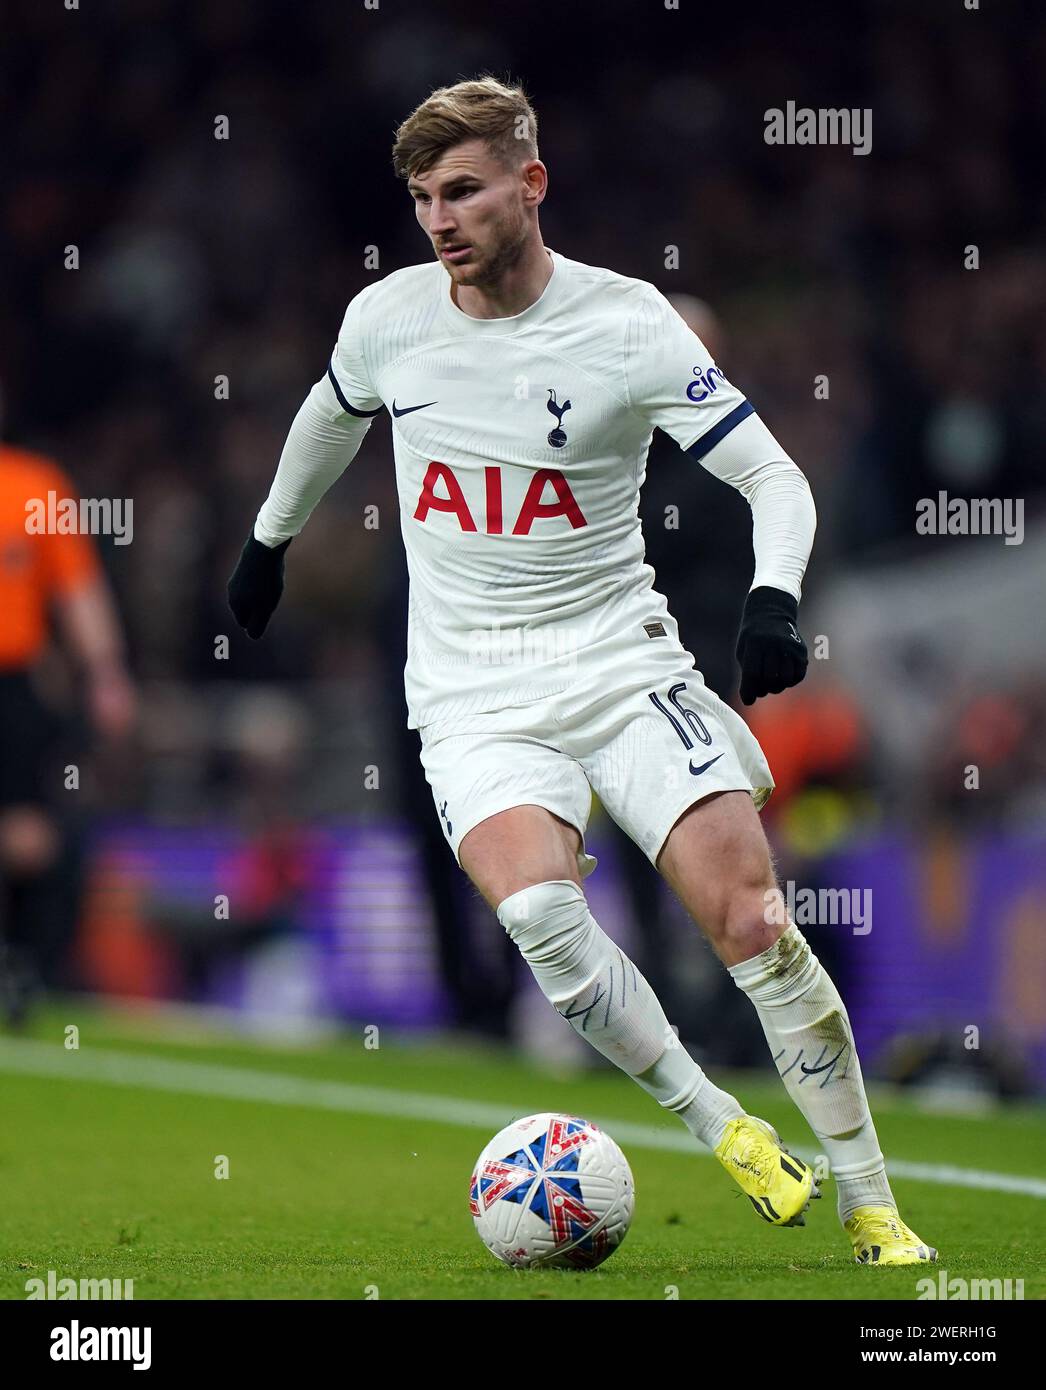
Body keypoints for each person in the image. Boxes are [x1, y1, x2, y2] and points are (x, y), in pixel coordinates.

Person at [228, 76, 936, 1266]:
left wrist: (773, 598)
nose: (439, 219)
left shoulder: (626, 325)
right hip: (468, 693)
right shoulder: (388, 318)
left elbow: (774, 478)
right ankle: (725, 1129)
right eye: (420, 198)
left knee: (754, 917)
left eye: (462, 189)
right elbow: (327, 416)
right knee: (545, 919)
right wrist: (266, 540)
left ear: (529, 183)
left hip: (616, 662)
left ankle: (872, 1204)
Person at [0, 440, 137, 1023]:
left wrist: (105, 674)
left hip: (15, 695)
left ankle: (28, 971)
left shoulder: (33, 484)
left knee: (37, 838)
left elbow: (78, 590)